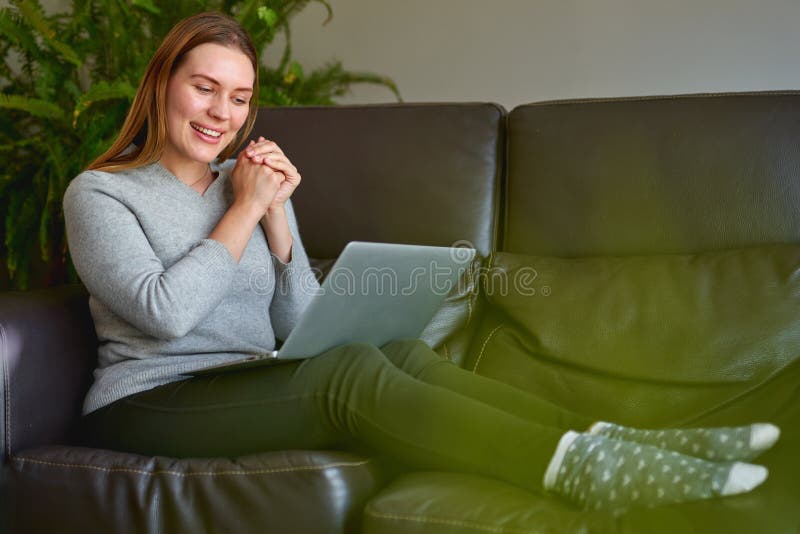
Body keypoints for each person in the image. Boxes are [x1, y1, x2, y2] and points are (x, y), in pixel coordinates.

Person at [63, 11, 779, 515]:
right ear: (163, 83)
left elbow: (299, 325)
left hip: (244, 380)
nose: (222, 112)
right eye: (204, 87)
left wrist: (278, 222)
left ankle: (613, 440)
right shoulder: (100, 193)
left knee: (402, 353)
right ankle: (580, 471)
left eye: (240, 97)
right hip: (146, 402)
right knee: (349, 376)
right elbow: (165, 312)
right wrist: (246, 211)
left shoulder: (245, 184)